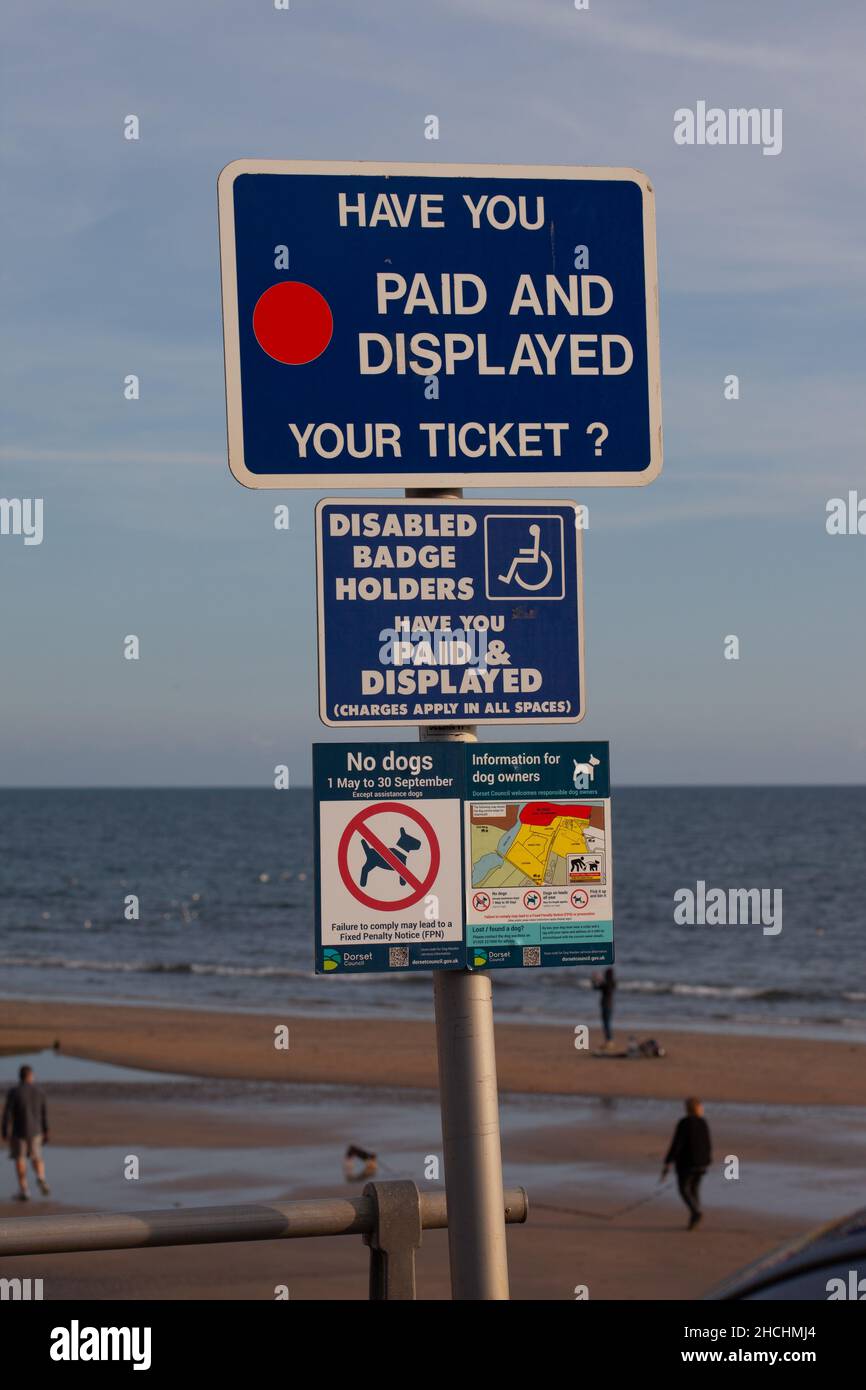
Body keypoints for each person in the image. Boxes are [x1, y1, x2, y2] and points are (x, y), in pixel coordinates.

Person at [2, 1064, 51, 1201]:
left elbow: (7, 1113)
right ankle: (41, 1177)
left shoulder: (14, 1092)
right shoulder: (39, 1091)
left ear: (20, 1076)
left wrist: (5, 1130)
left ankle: (24, 1190)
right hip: (36, 1131)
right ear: (30, 1076)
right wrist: (46, 1130)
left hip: (19, 1131)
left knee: (20, 1159)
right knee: (36, 1157)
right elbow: (44, 1114)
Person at [662, 1096, 711, 1229]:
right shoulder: (703, 1122)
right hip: (701, 1162)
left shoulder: (684, 1123)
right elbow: (707, 1143)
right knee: (695, 1189)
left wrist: (668, 1161)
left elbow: (677, 1144)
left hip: (687, 1163)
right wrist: (707, 1160)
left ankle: (695, 1213)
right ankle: (694, 1218)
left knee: (684, 1189)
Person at [592, 966, 616, 1045]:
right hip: (610, 1005)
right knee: (607, 1023)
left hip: (606, 1005)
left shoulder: (607, 984)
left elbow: (595, 987)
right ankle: (608, 1040)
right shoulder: (612, 983)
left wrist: (595, 979)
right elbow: (598, 987)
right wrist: (599, 979)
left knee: (606, 1024)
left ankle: (609, 1040)